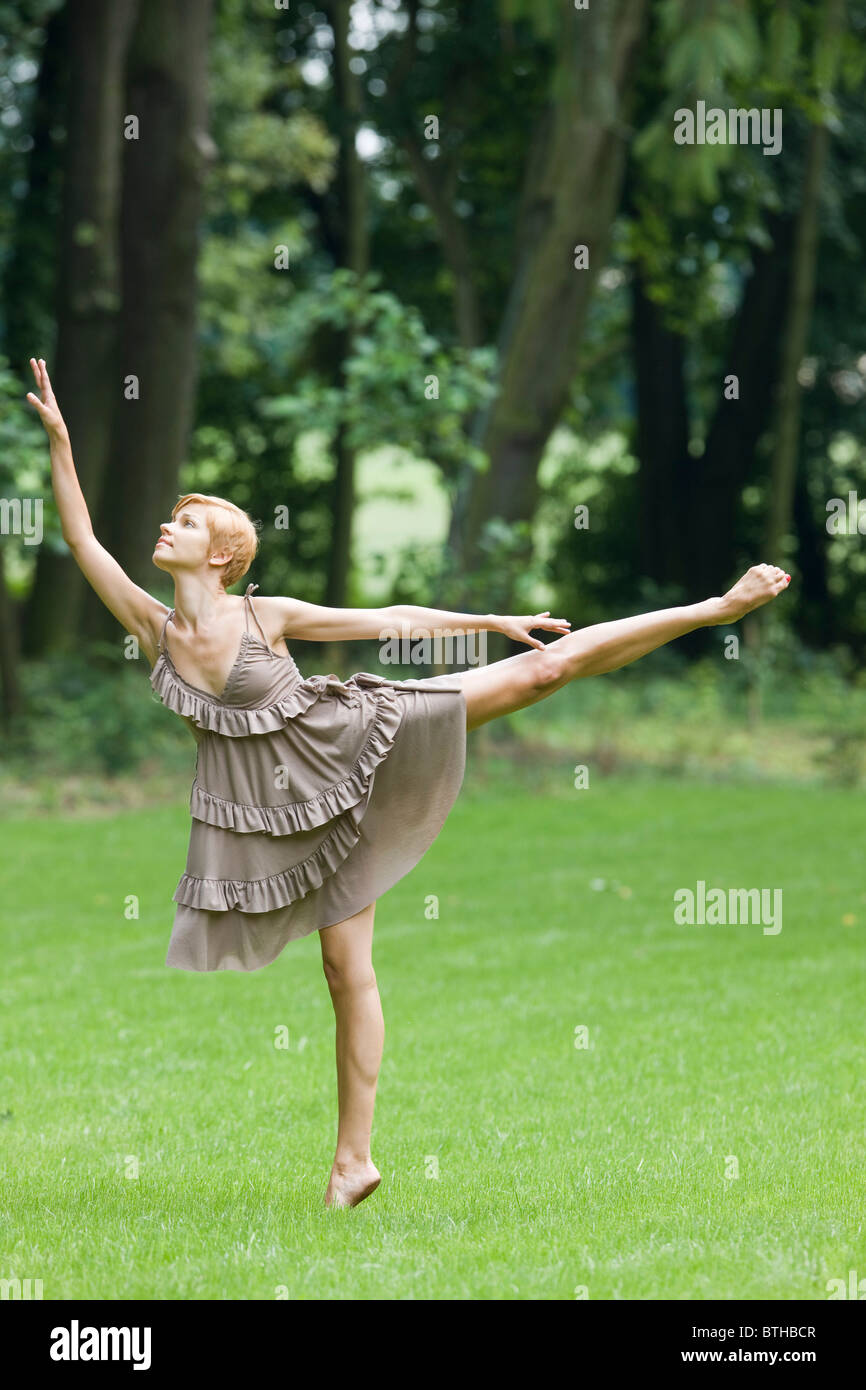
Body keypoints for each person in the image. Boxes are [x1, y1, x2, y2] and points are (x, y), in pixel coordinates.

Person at [26, 356, 791, 1208]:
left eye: (190, 523)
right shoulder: (154, 626)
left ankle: (712, 609)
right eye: (175, 519)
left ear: (225, 555)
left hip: (360, 739)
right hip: (290, 818)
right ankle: (354, 1165)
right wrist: (60, 441)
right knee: (344, 971)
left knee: (544, 673)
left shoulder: (262, 615)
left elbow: (390, 622)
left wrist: (488, 622)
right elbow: (82, 541)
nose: (170, 528)